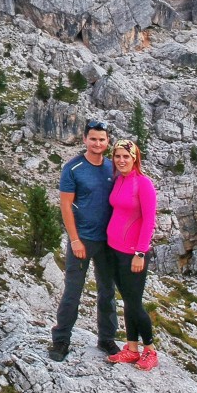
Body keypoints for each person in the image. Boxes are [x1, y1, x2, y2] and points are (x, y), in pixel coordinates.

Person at [48, 119, 119, 361]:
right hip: (83, 239)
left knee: (107, 291)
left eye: (102, 139)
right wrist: (75, 240)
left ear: (107, 141)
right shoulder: (73, 168)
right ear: (85, 140)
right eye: (93, 139)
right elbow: (65, 206)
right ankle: (60, 340)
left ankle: (107, 338)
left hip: (109, 241)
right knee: (73, 291)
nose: (97, 143)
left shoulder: (113, 167)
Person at [104, 139, 159, 371]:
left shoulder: (143, 184)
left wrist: (140, 252)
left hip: (132, 254)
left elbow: (149, 220)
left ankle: (150, 349)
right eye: (117, 156)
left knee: (134, 304)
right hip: (113, 250)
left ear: (135, 158)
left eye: (126, 156)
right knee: (127, 301)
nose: (121, 160)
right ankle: (131, 348)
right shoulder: (119, 181)